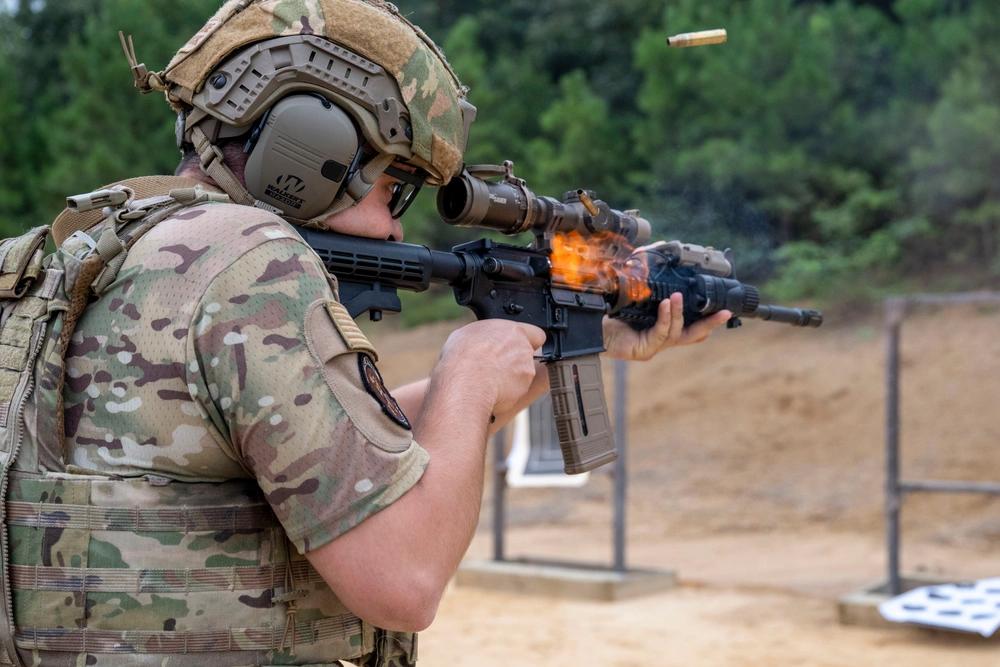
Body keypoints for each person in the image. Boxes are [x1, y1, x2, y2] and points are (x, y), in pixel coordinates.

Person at [4, 1, 730, 665]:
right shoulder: (254, 265)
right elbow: (404, 580)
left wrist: (574, 344)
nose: (394, 225)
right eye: (393, 188)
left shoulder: (80, 255)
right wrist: (469, 374)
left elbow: (330, 450)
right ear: (307, 149)